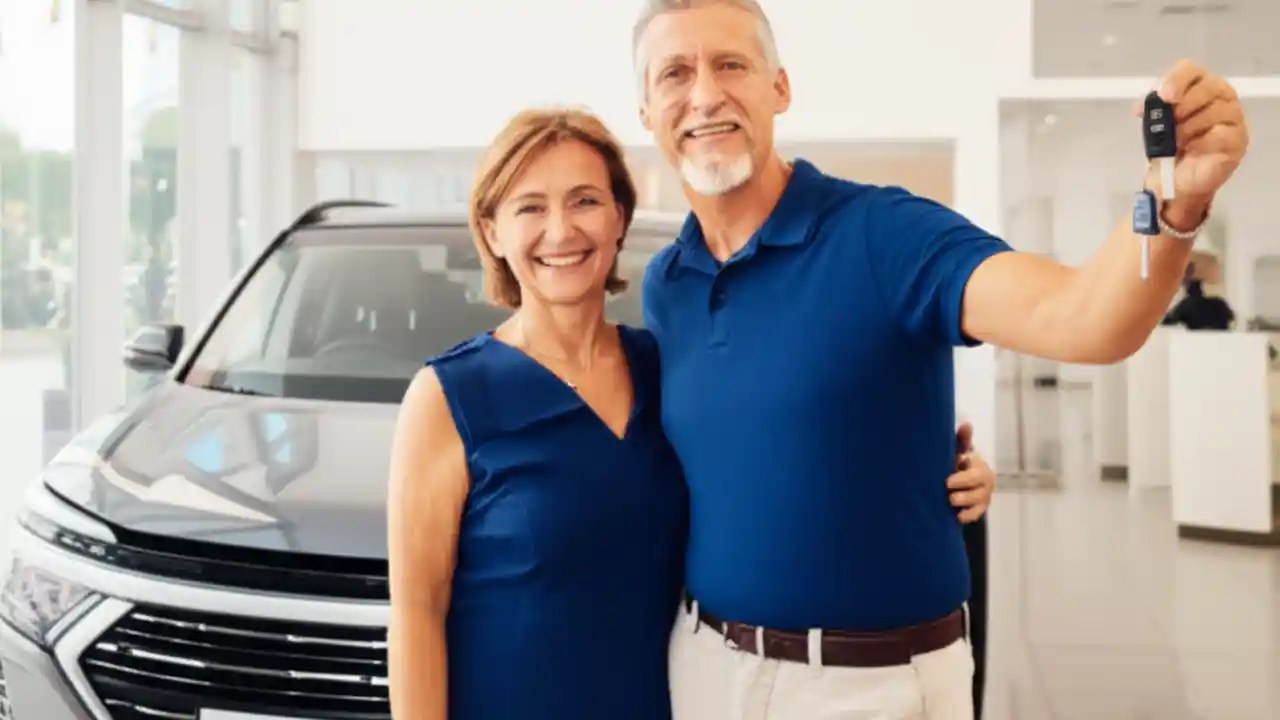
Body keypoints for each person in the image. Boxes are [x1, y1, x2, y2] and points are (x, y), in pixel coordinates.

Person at [630, 1, 1250, 718]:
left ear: (780, 87)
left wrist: (1174, 197)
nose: (704, 93)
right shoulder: (668, 282)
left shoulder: (883, 235)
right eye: (674, 72)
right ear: (647, 110)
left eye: (730, 64)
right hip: (707, 666)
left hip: (870, 685)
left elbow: (1083, 318)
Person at [385, 109, 999, 720]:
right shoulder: (449, 397)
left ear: (618, 218)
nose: (561, 230)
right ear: (491, 232)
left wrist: (944, 469)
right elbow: (418, 610)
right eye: (530, 208)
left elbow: (796, 440)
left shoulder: (663, 366)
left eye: (584, 201)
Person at [1163, 267, 1235, 330]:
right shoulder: (1219, 302)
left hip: (1198, 341)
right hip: (1223, 340)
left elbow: (1168, 321)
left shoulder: (1187, 304)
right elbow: (1231, 317)